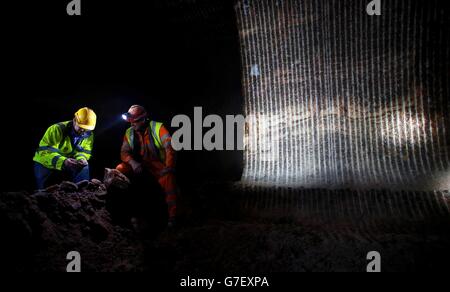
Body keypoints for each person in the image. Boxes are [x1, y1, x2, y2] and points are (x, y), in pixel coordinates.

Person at [116, 105, 178, 228]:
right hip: (140, 165)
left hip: (158, 165)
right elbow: (124, 152)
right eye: (130, 121)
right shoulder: (129, 132)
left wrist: (169, 166)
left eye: (134, 121)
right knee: (120, 169)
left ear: (143, 120)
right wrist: (133, 163)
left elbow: (170, 147)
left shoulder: (157, 127)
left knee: (169, 180)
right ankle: (124, 212)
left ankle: (173, 217)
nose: (131, 124)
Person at [33, 107, 96, 189]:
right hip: (45, 162)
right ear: (74, 120)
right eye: (81, 127)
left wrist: (81, 158)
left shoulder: (89, 135)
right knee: (45, 191)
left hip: (67, 162)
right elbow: (45, 152)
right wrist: (64, 161)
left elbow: (85, 151)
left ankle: (82, 192)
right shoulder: (56, 129)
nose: (83, 131)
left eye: (87, 129)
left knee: (84, 167)